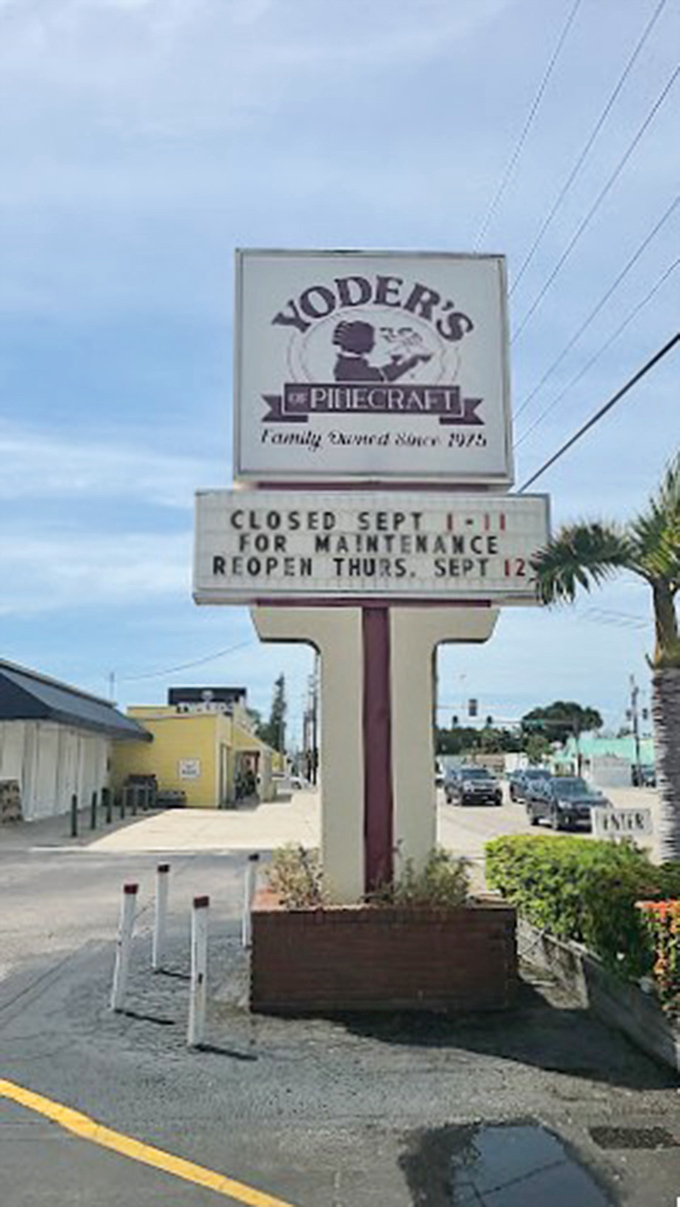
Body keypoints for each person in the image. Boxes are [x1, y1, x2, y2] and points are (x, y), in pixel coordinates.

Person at [332, 320, 431, 383]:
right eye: (370, 339)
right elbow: (382, 376)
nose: (373, 343)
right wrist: (409, 362)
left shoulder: (347, 363)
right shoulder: (349, 368)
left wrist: (399, 361)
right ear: (359, 341)